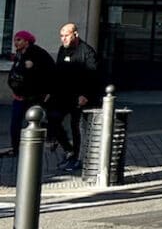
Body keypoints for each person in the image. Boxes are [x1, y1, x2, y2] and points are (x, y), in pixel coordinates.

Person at [46, 23, 101, 174]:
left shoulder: (87, 52)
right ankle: (68, 149)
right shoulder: (62, 50)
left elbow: (93, 75)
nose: (63, 39)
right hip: (63, 95)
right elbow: (58, 72)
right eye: (61, 36)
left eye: (66, 35)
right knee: (53, 118)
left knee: (77, 128)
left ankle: (77, 158)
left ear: (75, 35)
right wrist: (51, 91)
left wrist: (85, 95)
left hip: (79, 98)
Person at [6, 31, 55, 158]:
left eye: (19, 40)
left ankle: (37, 146)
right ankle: (16, 148)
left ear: (26, 41)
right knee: (15, 122)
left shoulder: (37, 53)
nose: (15, 43)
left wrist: (48, 90)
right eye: (15, 40)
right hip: (19, 95)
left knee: (34, 120)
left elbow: (50, 71)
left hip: (33, 96)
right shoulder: (19, 54)